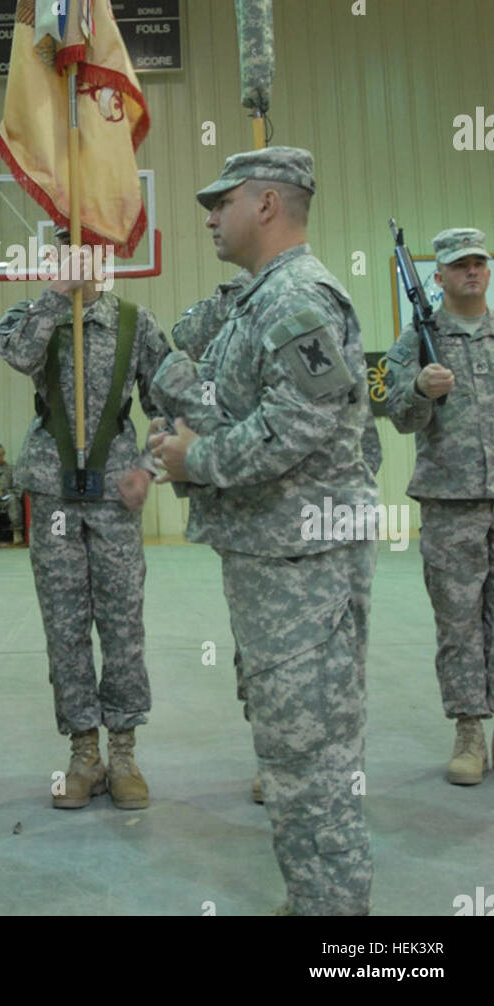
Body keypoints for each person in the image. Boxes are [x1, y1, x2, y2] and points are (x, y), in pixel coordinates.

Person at [150, 148, 376, 917]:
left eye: (222, 203)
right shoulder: (258, 298)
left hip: (302, 564)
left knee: (311, 756)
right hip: (273, 558)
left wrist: (197, 457)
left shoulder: (298, 300)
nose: (209, 218)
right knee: (289, 749)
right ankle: (314, 901)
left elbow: (298, 423)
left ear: (267, 204)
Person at [0, 231, 170, 810]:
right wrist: (55, 294)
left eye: (90, 248)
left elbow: (166, 403)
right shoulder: (34, 315)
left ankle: (123, 752)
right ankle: (83, 752)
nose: (79, 257)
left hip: (115, 493)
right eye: (66, 247)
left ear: (108, 256)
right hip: (53, 492)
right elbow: (18, 355)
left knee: (122, 623)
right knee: (65, 627)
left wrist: (148, 468)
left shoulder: (134, 323)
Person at [384, 227, 494, 785]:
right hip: (452, 502)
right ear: (439, 275)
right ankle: (470, 732)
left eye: (479, 262)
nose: (471, 271)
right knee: (459, 624)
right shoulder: (416, 343)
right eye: (459, 265)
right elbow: (398, 417)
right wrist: (420, 391)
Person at [0, 442, 23, 544]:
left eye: (0, 455)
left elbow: (18, 489)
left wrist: (4, 492)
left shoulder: (12, 469)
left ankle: (17, 531)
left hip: (6, 499)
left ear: (4, 454)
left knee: (13, 500)